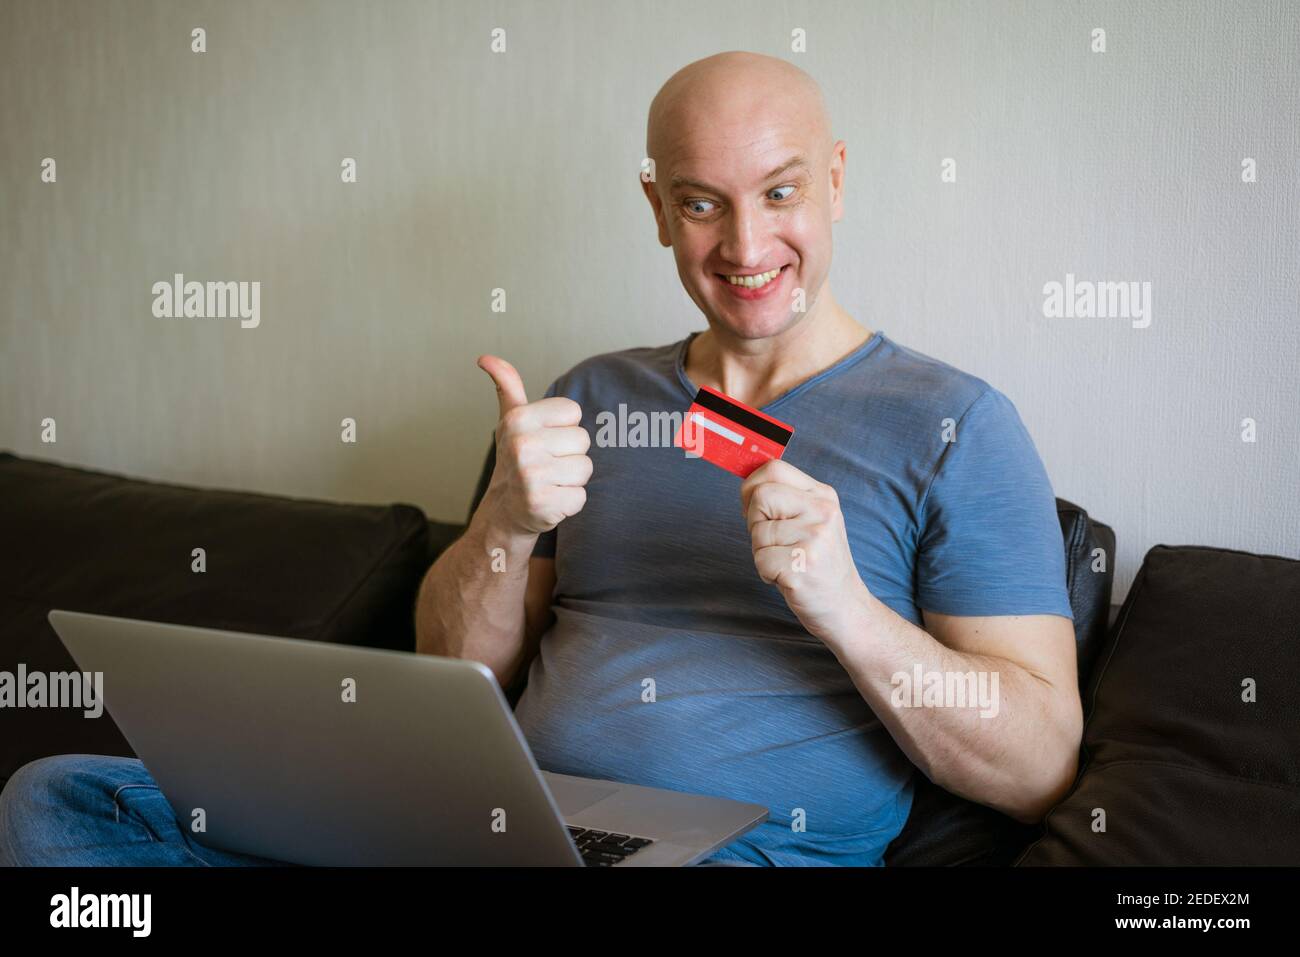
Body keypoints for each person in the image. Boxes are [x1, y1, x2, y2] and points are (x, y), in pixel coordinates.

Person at [0, 51, 1080, 868]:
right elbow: (452, 675)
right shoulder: (591, 396)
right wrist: (503, 528)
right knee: (60, 798)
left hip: (739, 857)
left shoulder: (955, 424)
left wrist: (846, 607)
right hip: (496, 824)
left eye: (780, 192)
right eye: (701, 203)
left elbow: (1036, 771)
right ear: (657, 208)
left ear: (836, 181)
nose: (745, 248)